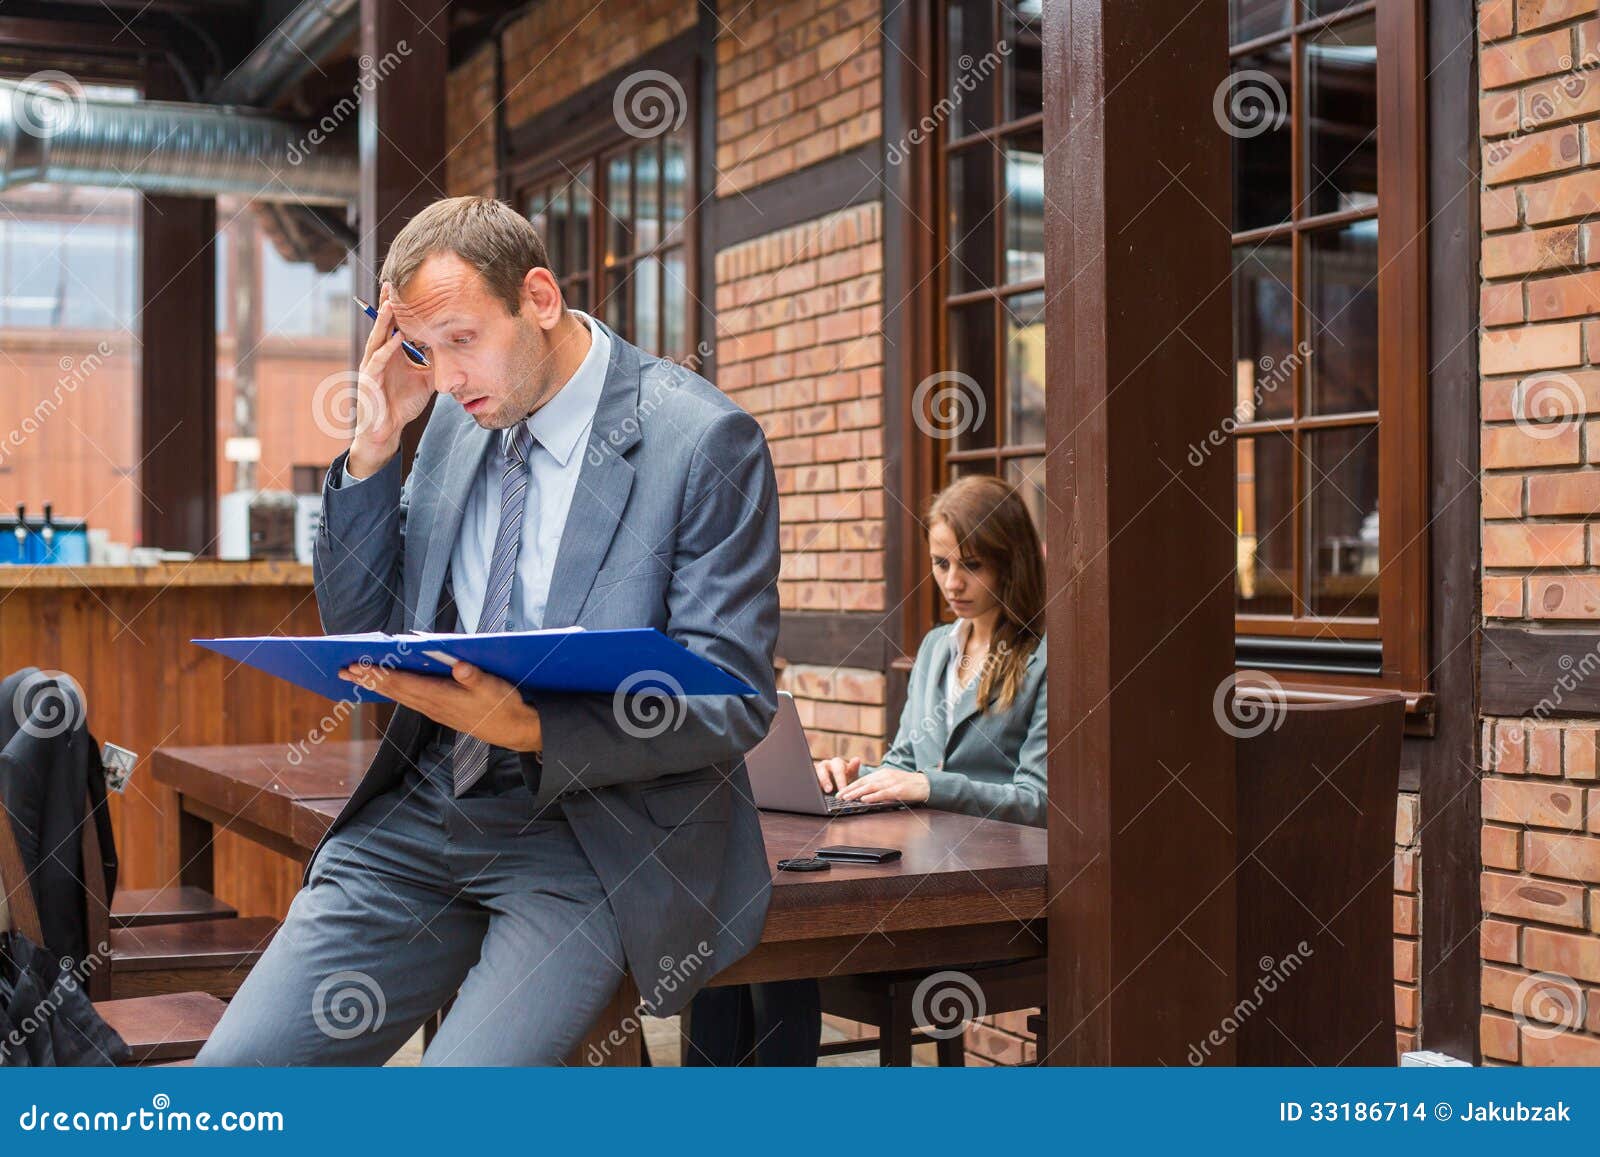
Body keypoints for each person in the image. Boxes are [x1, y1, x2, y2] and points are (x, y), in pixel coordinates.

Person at [196, 196, 780, 1066]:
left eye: (464, 339)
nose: (446, 375)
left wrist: (533, 726)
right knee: (235, 1082)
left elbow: (729, 697)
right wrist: (374, 442)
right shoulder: (455, 422)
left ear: (538, 298)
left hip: (587, 835)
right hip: (426, 805)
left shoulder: (700, 441)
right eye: (425, 351)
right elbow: (363, 628)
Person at [685, 474, 1047, 1065]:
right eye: (940, 563)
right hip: (907, 870)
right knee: (746, 935)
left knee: (778, 939)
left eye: (972, 565)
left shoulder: (1044, 658)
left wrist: (929, 785)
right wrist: (857, 775)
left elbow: (1039, 799)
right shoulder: (937, 648)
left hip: (981, 894)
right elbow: (907, 762)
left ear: (1013, 561)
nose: (952, 582)